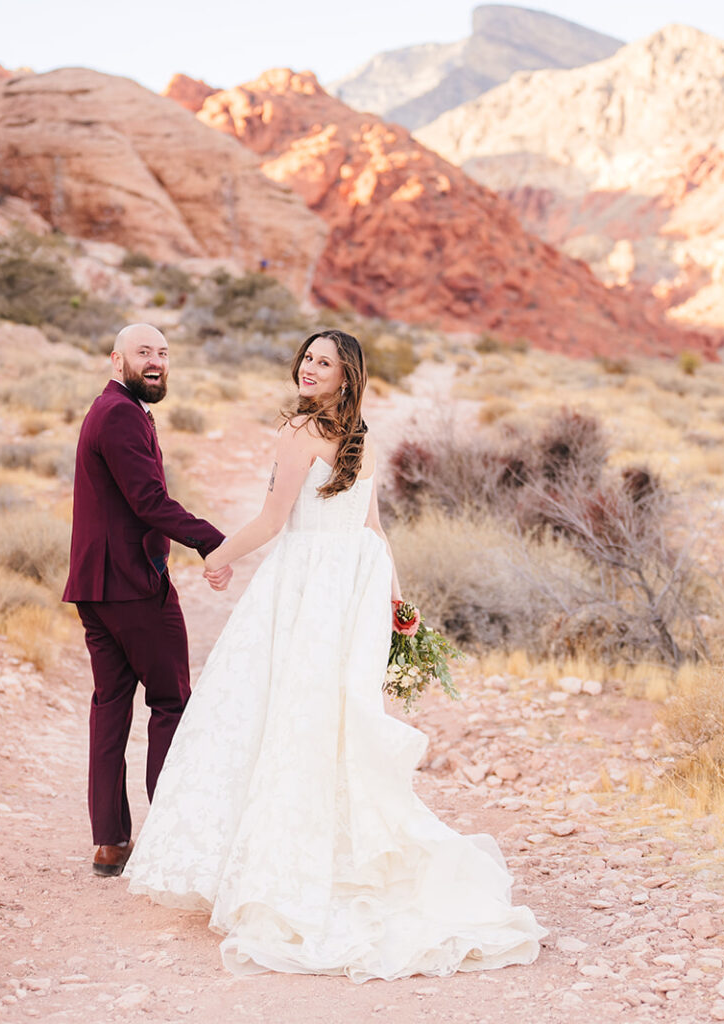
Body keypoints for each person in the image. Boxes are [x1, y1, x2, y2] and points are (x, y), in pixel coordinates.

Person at [124, 329, 545, 981]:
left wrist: (216, 557)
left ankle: (283, 869)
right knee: (323, 719)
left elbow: (272, 520)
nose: (309, 368)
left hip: (302, 593)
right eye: (307, 358)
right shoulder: (362, 435)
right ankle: (322, 853)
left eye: (324, 362)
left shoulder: (297, 432)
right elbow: (374, 532)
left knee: (282, 717)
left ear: (346, 376)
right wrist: (398, 605)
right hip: (349, 594)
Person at [62, 323, 231, 878]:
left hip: (97, 588)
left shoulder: (117, 409)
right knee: (171, 703)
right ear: (117, 359)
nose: (155, 361)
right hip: (133, 585)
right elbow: (149, 501)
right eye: (143, 353)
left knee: (110, 708)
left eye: (162, 353)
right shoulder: (118, 414)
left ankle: (110, 843)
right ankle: (168, 836)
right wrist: (213, 540)